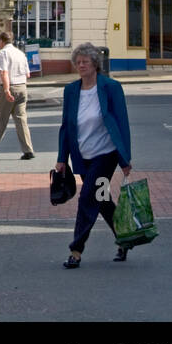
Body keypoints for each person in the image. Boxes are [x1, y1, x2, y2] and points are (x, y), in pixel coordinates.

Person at [56, 42, 133, 269]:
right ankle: (125, 239)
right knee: (102, 200)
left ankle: (76, 250)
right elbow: (65, 127)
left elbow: (122, 123)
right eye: (78, 62)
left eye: (85, 62)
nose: (81, 65)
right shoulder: (71, 91)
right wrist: (62, 158)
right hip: (84, 156)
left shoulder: (110, 87)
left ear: (95, 64)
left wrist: (125, 158)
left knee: (88, 198)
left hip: (105, 155)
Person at [0, 30, 35, 160]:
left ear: (1, 41)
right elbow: (28, 74)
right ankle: (28, 150)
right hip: (22, 87)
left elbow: (4, 73)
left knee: (1, 120)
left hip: (10, 87)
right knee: (21, 120)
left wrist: (6, 90)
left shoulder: (2, 53)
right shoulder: (20, 53)